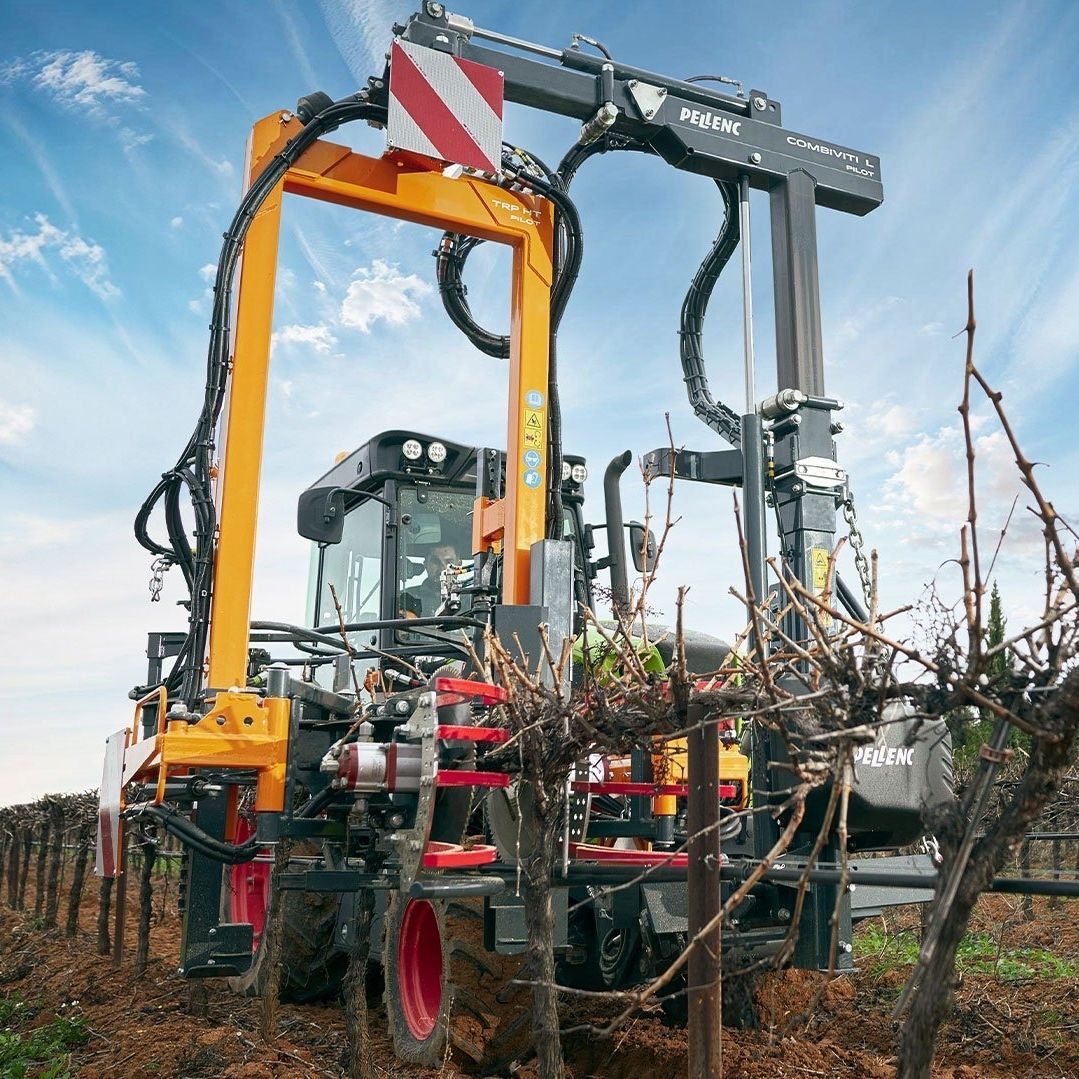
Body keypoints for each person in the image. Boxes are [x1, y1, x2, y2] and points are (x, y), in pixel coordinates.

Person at [402, 542, 459, 618]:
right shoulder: (406, 598)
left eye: (449, 562)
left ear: (459, 565)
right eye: (435, 561)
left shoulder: (470, 599)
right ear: (426, 565)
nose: (443, 568)